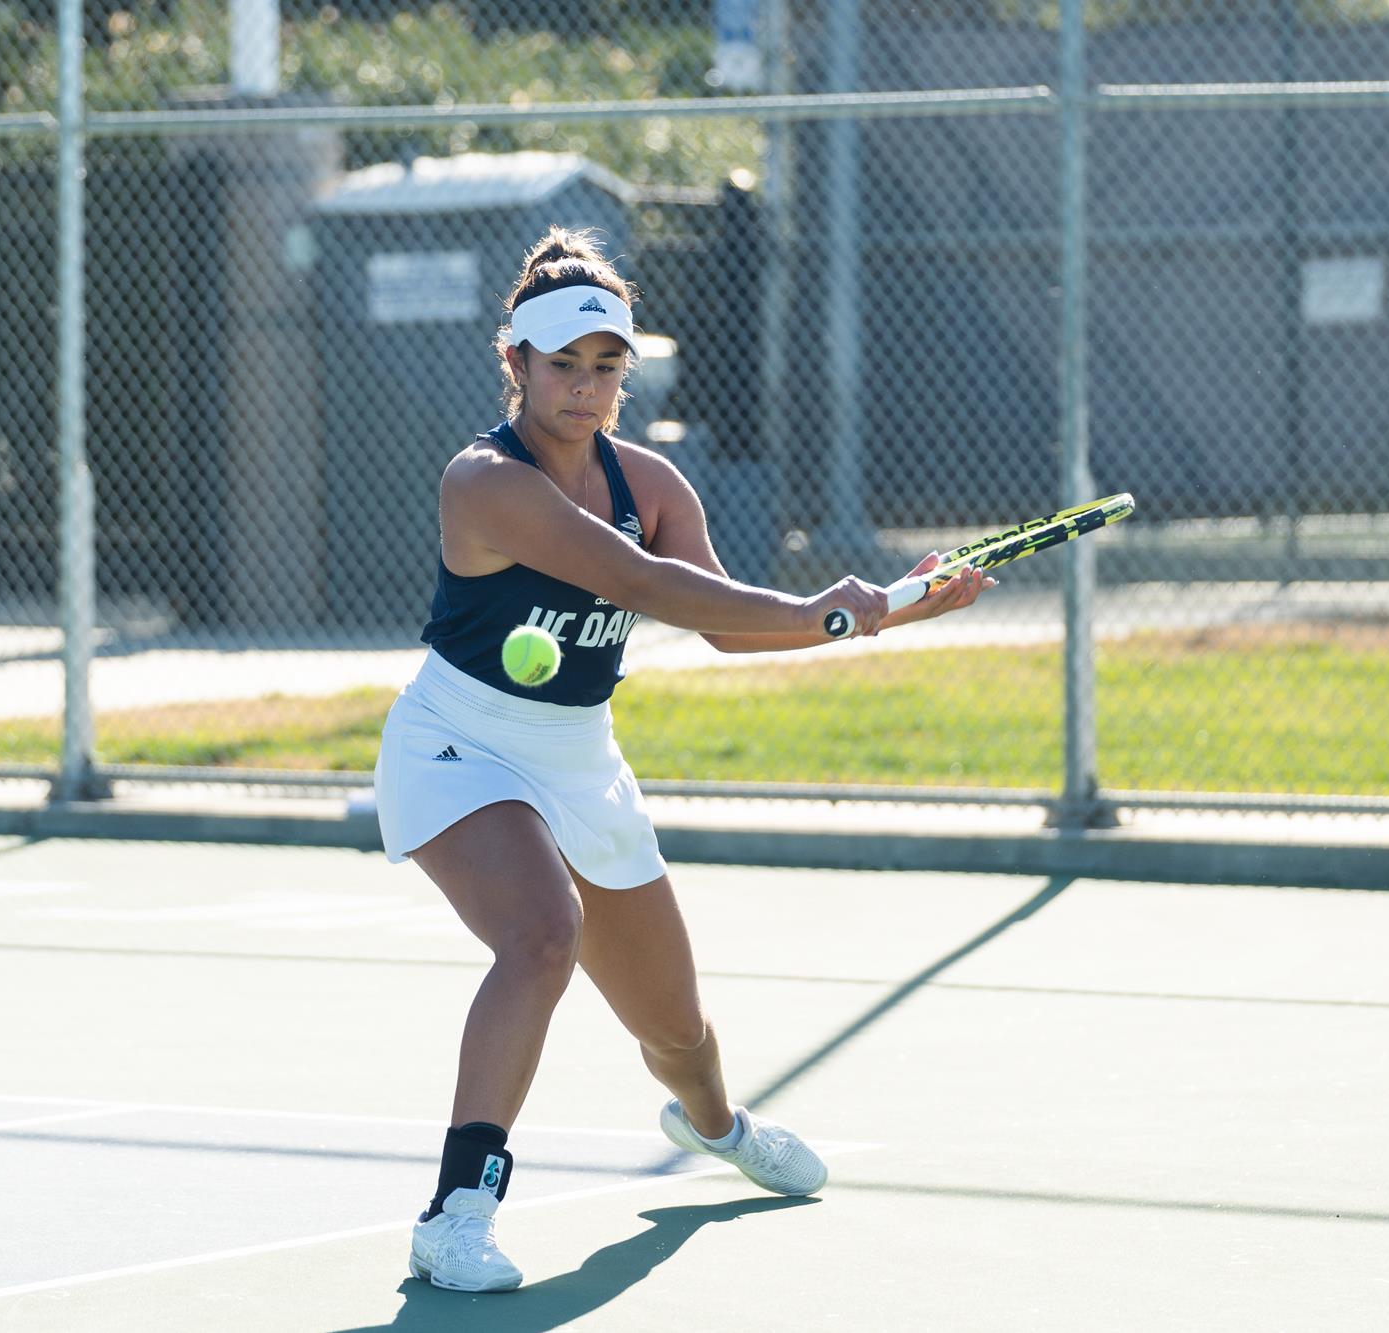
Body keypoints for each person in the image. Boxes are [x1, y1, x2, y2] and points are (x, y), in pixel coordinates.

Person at [375, 226, 990, 1293]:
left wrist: (882, 610)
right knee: (539, 933)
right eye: (560, 364)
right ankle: (456, 1210)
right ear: (512, 362)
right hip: (455, 744)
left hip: (582, 764)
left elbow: (724, 623)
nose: (583, 386)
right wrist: (824, 609)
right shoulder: (484, 482)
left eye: (605, 366)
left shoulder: (650, 482)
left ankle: (715, 1125)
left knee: (676, 1029)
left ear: (626, 371)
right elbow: (647, 587)